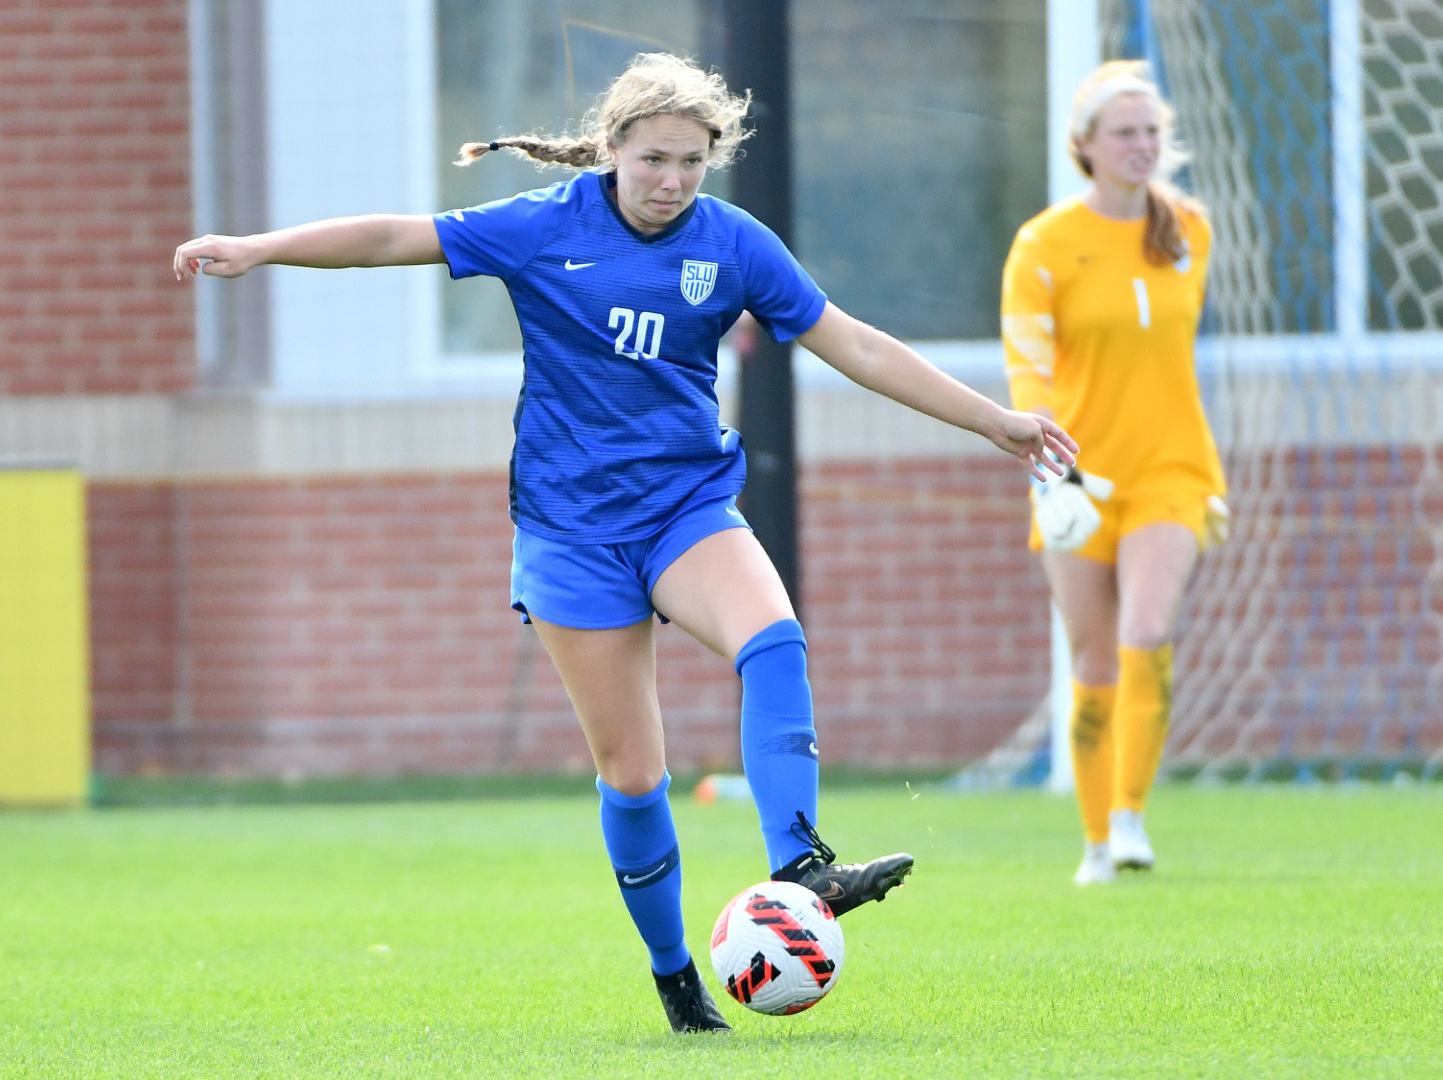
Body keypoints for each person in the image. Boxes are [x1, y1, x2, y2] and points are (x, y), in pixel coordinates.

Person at [174, 53, 1077, 1031]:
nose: (672, 181)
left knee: (772, 639)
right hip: (571, 537)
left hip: (686, 510)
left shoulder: (734, 245)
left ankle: (802, 860)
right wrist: (258, 247)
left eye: (692, 161)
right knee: (636, 775)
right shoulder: (542, 226)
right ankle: (677, 979)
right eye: (653, 159)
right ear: (611, 151)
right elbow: (399, 235)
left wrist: (996, 419)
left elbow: (852, 342)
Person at [1000, 61, 1227, 887]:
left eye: (1151, 131)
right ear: (1086, 145)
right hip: (1076, 480)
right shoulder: (1043, 245)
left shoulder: (1190, 230)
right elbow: (1027, 368)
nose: (1143, 145)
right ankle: (1097, 840)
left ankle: (1132, 819)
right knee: (1093, 659)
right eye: (1125, 133)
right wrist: (1047, 468)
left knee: (1147, 630)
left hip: (1173, 468)